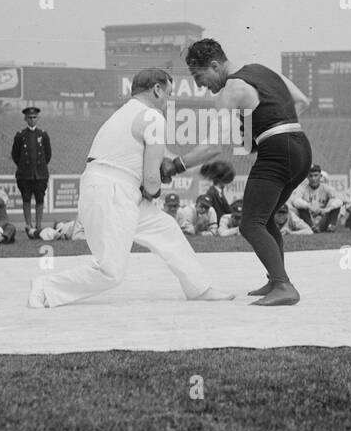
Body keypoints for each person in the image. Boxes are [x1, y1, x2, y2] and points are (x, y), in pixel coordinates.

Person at [28, 68, 234, 307]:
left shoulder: (124, 114)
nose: (168, 101)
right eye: (167, 93)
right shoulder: (153, 116)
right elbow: (151, 180)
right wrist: (156, 186)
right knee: (110, 272)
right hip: (115, 192)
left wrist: (168, 170)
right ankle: (46, 286)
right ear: (157, 89)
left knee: (166, 228)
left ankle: (199, 288)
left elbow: (158, 159)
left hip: (111, 188)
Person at [171, 39, 314, 306]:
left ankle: (284, 286)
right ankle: (276, 279)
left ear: (214, 65)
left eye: (198, 77)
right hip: (300, 148)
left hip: (277, 151)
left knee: (250, 224)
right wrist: (263, 125)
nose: (200, 85)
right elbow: (302, 101)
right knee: (266, 217)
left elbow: (214, 147)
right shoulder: (264, 71)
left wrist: (177, 164)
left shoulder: (229, 91)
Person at [11, 106, 52, 239]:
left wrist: (40, 168)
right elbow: (15, 155)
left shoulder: (43, 135)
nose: (32, 120)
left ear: (38, 118)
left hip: (40, 174)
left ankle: (38, 225)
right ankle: (29, 225)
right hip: (25, 175)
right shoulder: (20, 135)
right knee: (26, 199)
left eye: (34, 117)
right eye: (29, 117)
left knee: (40, 199)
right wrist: (24, 167)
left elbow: (48, 155)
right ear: (25, 118)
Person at [289, 163, 343, 232]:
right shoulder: (302, 188)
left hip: (322, 217)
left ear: (320, 176)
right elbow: (295, 201)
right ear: (307, 177)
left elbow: (340, 201)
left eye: (316, 175)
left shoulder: (326, 187)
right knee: (301, 206)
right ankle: (312, 227)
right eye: (311, 176)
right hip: (308, 218)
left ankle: (331, 226)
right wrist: (309, 207)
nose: (313, 178)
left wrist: (327, 209)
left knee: (335, 204)